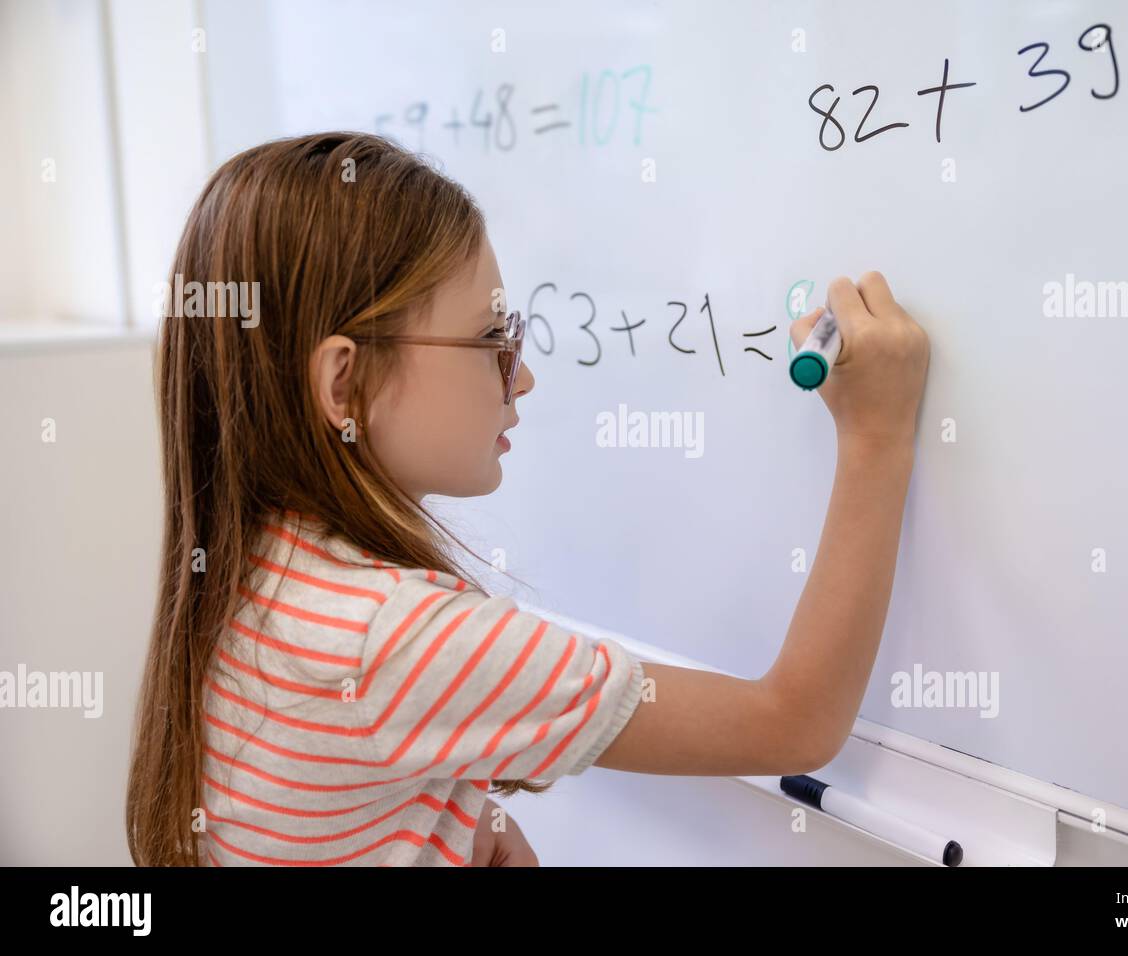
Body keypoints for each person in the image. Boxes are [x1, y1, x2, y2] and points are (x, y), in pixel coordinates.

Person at [125, 131, 930, 866]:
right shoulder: (397, 639)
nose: (525, 375)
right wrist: (877, 439)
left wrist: (454, 824)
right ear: (345, 383)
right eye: (491, 341)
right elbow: (793, 721)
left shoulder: (257, 569)